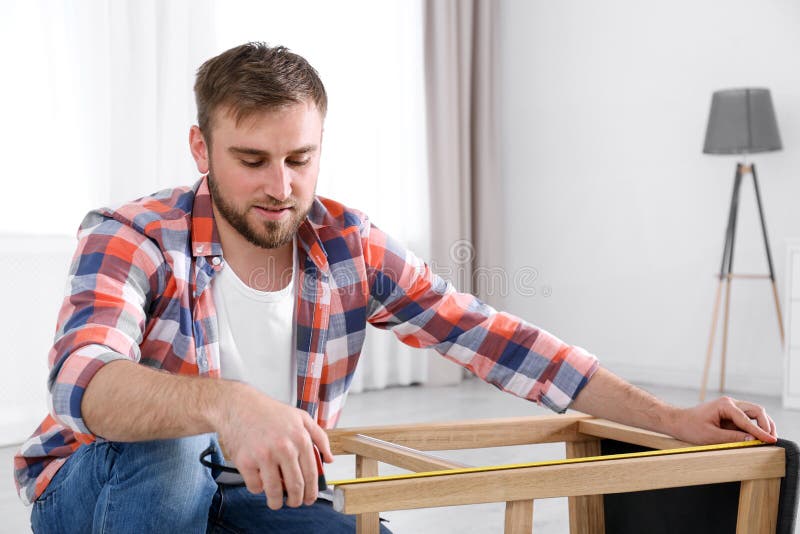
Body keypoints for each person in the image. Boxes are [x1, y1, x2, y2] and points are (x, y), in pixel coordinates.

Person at [14, 42, 777, 533]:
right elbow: (81, 384)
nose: (281, 187)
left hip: (252, 489)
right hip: (99, 487)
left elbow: (497, 341)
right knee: (174, 446)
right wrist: (227, 402)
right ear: (201, 149)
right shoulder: (133, 233)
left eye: (300, 159)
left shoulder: (349, 245)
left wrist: (672, 417)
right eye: (251, 160)